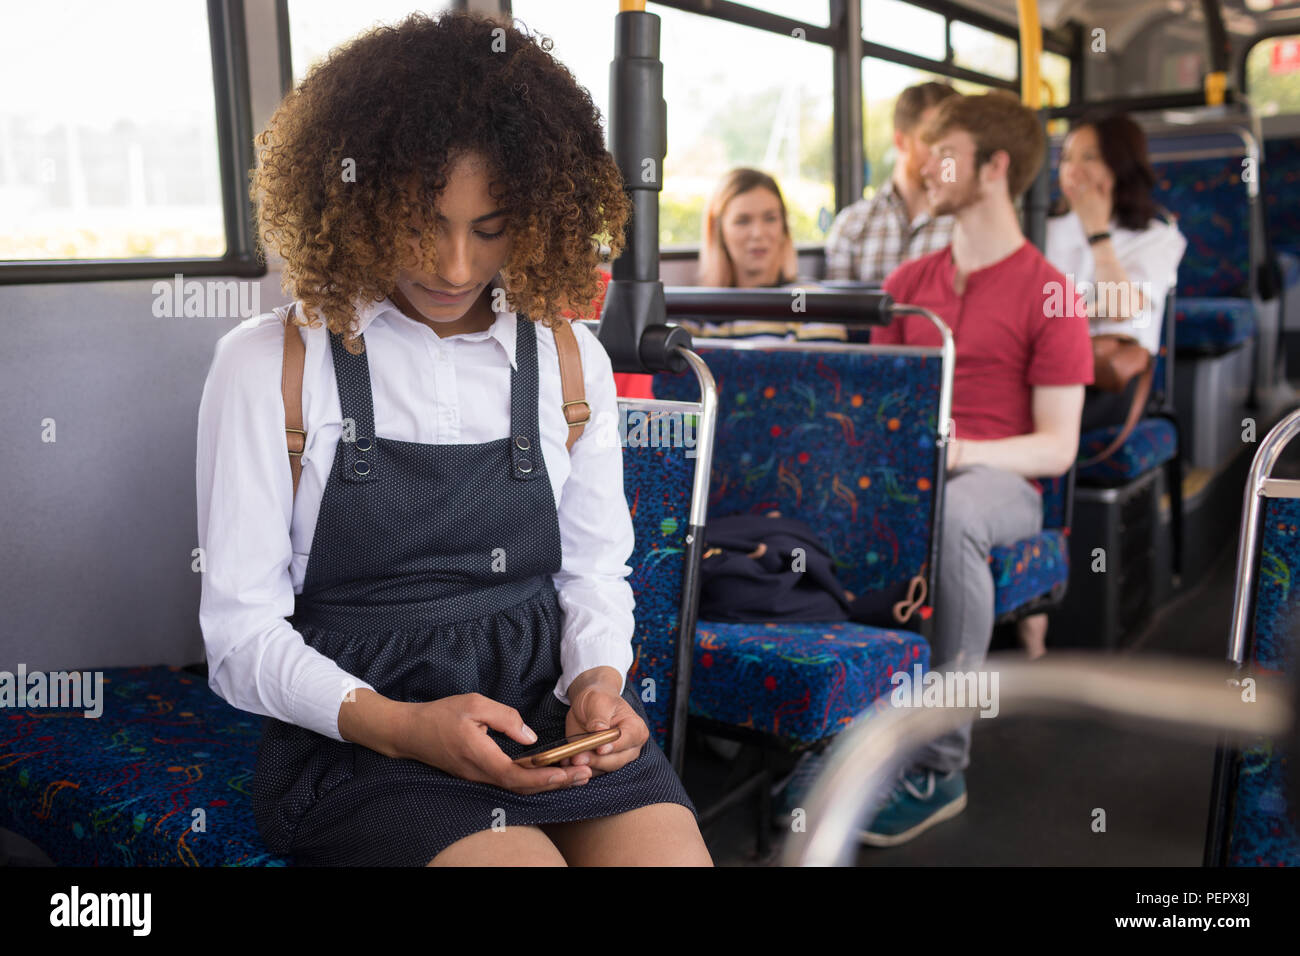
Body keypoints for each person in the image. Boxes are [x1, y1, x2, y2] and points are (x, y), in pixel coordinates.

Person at [195, 12, 711, 867]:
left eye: (490, 226)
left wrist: (596, 680)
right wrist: (403, 728)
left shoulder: (570, 359)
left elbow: (591, 574)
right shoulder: (268, 365)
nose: (456, 267)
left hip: (539, 712)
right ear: (356, 199)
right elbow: (241, 640)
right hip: (359, 734)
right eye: (425, 222)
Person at [777, 92, 1093, 845]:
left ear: (994, 168)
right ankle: (827, 731)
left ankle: (940, 762)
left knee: (949, 520)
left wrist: (954, 453)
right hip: (910, 474)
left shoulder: (1050, 291)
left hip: (1001, 483)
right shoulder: (912, 285)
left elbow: (1057, 445)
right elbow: (880, 406)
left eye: (945, 152)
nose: (927, 165)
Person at [1014, 114, 1187, 660]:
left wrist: (1097, 232)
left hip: (1104, 389)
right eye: (1067, 159)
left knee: (1038, 421)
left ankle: (1037, 604)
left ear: (1120, 167)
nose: (1075, 171)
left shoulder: (1158, 237)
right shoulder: (1040, 228)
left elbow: (1120, 315)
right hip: (1041, 373)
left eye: (1090, 157)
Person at [686, 167, 844, 342]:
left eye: (770, 218)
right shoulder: (695, 311)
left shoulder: (810, 301)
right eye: (742, 221)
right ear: (719, 231)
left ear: (784, 228)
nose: (758, 233)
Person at [823, 81, 958, 284]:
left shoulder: (968, 223)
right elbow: (837, 312)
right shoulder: (852, 224)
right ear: (900, 141)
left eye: (951, 145)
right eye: (933, 140)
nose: (945, 155)